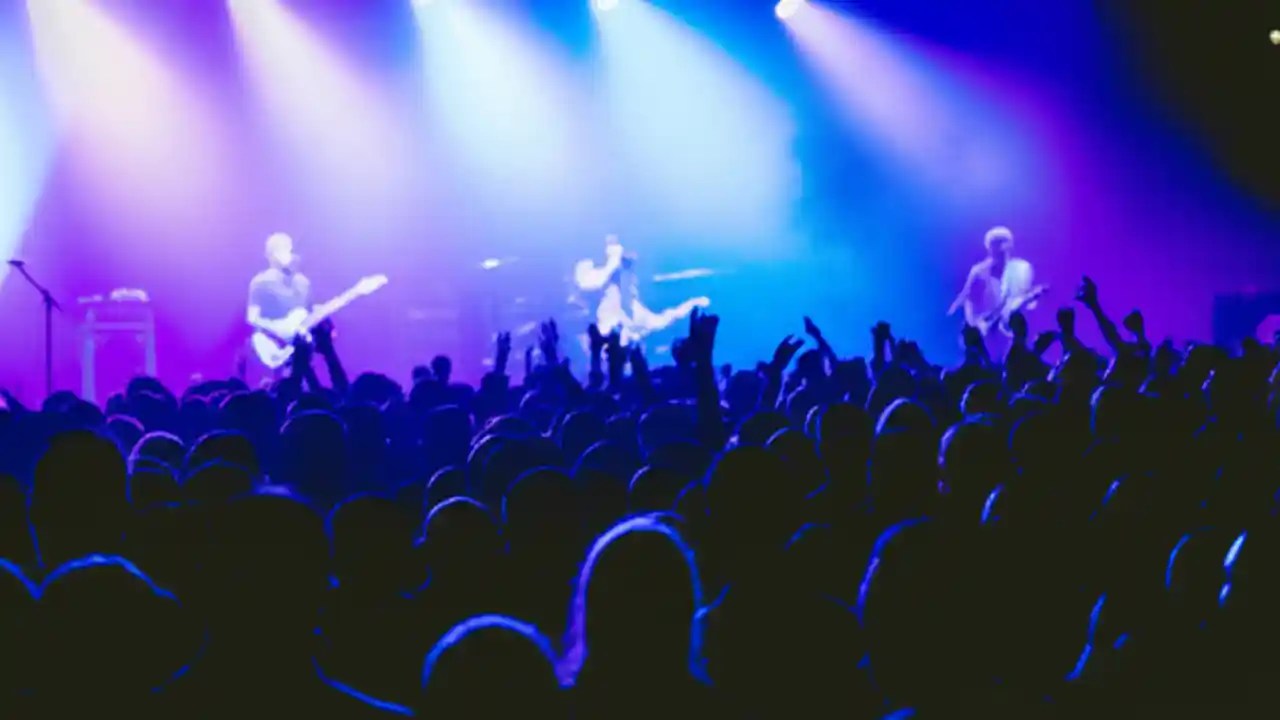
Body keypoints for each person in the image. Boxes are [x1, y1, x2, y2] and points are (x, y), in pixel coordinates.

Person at [573, 235, 709, 347]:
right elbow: (592, 283)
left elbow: (665, 319)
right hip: (606, 328)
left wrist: (692, 304)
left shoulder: (634, 312)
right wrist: (613, 259)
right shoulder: (593, 274)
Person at [947, 226, 1040, 361]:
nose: (1001, 248)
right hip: (987, 335)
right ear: (988, 247)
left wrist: (1030, 303)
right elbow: (969, 300)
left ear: (1011, 245)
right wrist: (977, 326)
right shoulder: (979, 272)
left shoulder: (1022, 268)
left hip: (1012, 333)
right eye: (995, 244)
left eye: (1004, 242)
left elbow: (1028, 301)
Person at [246, 233, 312, 378]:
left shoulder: (303, 283)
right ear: (268, 255)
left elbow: (309, 312)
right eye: (278, 250)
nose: (284, 254)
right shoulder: (260, 282)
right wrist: (281, 331)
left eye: (287, 249)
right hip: (274, 343)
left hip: (299, 345)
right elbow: (252, 318)